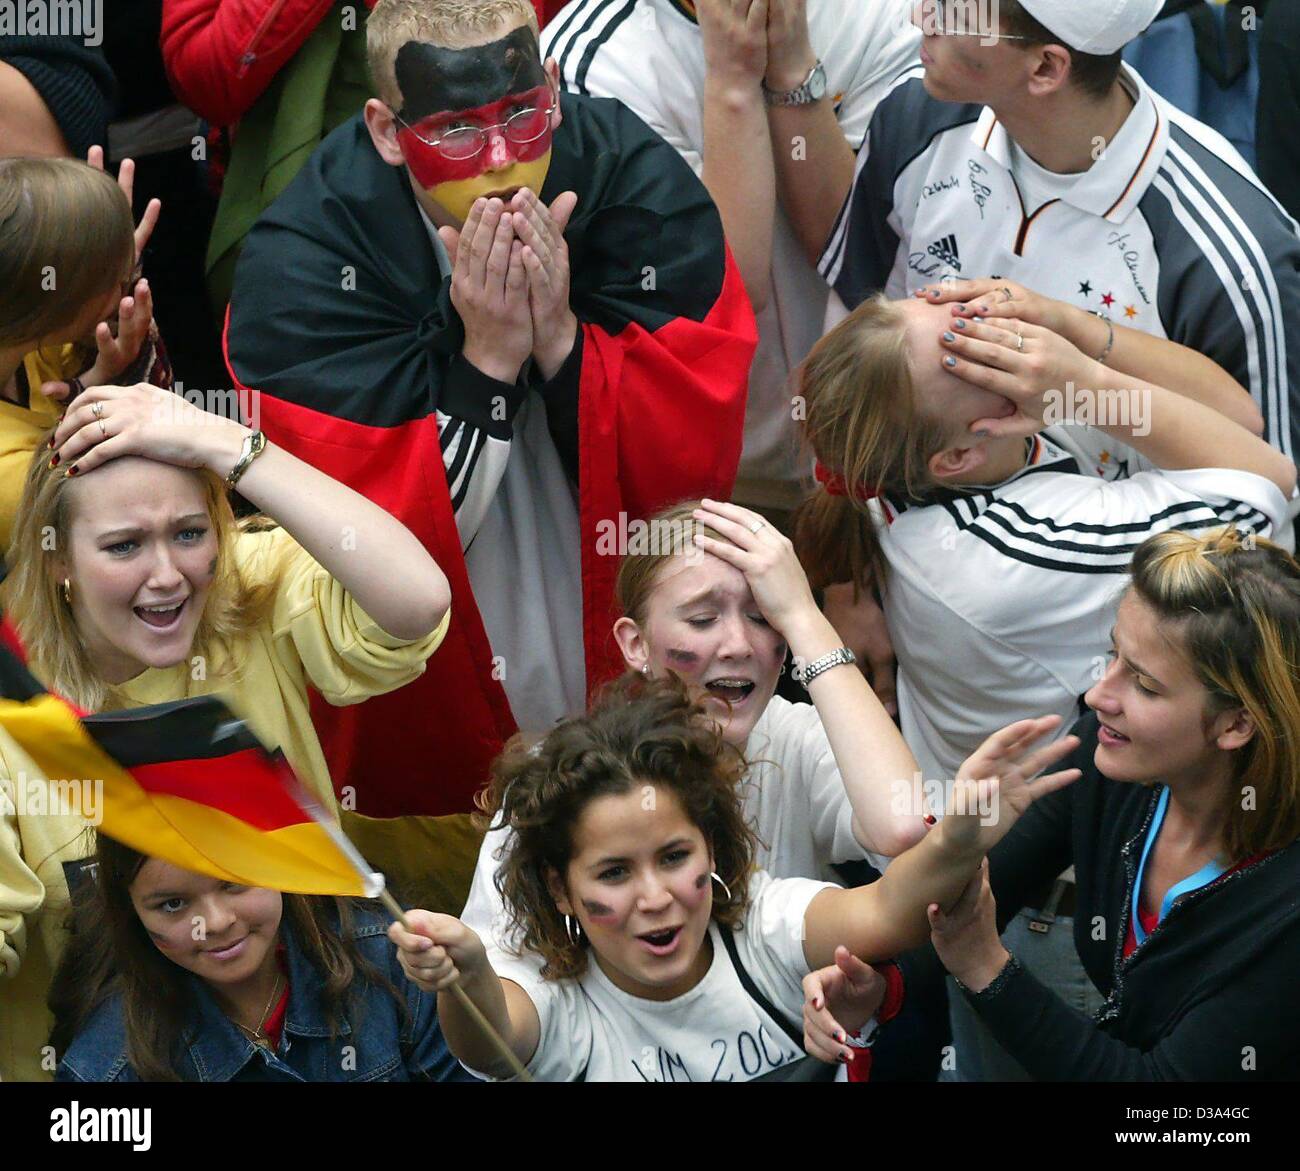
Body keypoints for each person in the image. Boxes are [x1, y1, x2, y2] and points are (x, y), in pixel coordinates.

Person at [223, 0, 756, 829]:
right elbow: (381, 563)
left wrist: (566, 344)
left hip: (602, 590)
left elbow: (694, 461)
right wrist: (490, 361)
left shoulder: (622, 167)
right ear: (388, 130)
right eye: (459, 131)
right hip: (444, 679)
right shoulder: (309, 255)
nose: (504, 162)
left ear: (552, 82)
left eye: (521, 113)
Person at [0, 382, 451, 1081]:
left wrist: (229, 444)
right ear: (56, 560)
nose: (167, 575)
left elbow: (417, 603)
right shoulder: (15, 703)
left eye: (188, 532)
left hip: (330, 1045)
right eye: (123, 546)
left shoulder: (244, 588)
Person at [390, 673, 1080, 1081]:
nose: (655, 896)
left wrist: (959, 836)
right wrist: (465, 974)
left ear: (713, 850)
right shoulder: (557, 999)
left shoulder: (767, 927)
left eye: (672, 857)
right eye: (614, 871)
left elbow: (893, 907)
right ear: (562, 887)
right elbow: (488, 1035)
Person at [807, 526, 1300, 1079]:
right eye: (1113, 656)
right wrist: (881, 982)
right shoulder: (1105, 760)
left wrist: (986, 968)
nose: (1097, 696)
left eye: (1145, 685)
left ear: (1236, 723)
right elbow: (969, 897)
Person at [794, 293, 1295, 789]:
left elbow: (1240, 418)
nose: (1008, 339)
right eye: (974, 358)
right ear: (958, 455)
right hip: (1036, 847)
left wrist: (1067, 322)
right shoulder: (1016, 552)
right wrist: (1083, 384)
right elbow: (1266, 480)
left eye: (970, 318)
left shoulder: (925, 457)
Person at [810, 0, 1300, 468]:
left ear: (1046, 68)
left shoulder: (1232, 256)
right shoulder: (913, 118)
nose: (920, 16)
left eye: (954, 12)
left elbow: (1273, 502)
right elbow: (852, 368)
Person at [462, 497, 929, 942]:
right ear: (636, 645)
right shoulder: (560, 776)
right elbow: (496, 981)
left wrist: (804, 615)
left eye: (764, 617)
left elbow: (907, 825)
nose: (739, 645)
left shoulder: (794, 736)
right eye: (704, 619)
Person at [541, 0, 918, 515]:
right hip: (722, 486)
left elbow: (859, 258)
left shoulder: (878, 14)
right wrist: (733, 85)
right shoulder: (596, 60)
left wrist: (792, 73)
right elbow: (728, 293)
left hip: (890, 457)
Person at [49, 835, 471, 1081]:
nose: (214, 923)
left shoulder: (390, 962)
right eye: (173, 904)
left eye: (234, 884)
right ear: (131, 914)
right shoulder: (107, 1065)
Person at [0, 157, 167, 549]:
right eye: (116, 277)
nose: (129, 278)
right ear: (59, 307)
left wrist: (101, 375)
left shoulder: (28, 345)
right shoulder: (9, 478)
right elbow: (139, 512)